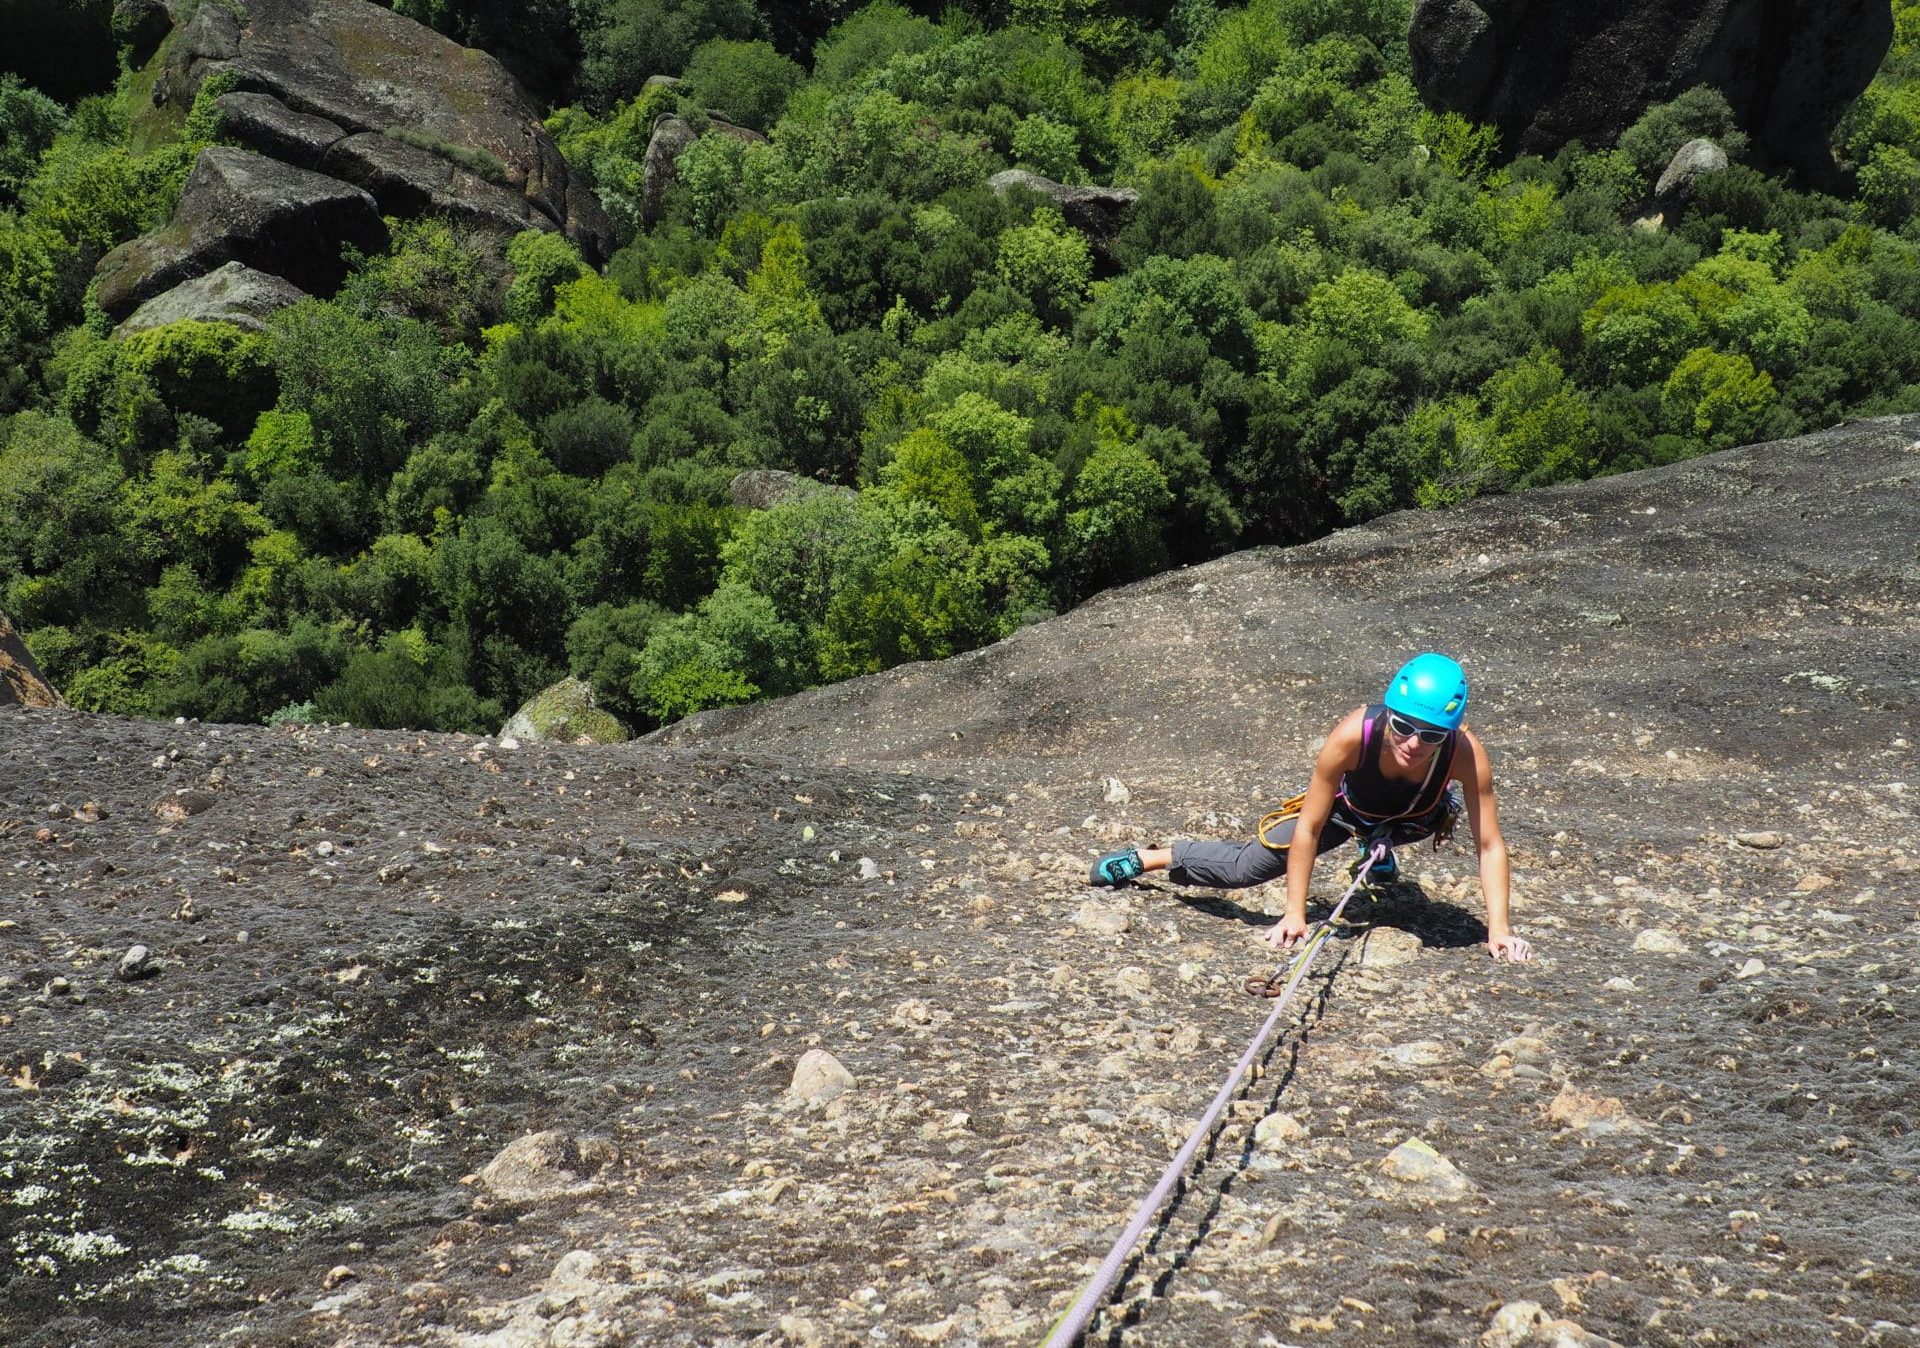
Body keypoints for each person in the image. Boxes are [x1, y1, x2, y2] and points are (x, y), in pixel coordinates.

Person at [1087, 652, 1533, 962]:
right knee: (1248, 868)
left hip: (1416, 818)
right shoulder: (1352, 736)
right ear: (1389, 713)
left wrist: (1499, 930)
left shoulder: (1465, 753)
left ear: (1449, 733)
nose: (1414, 744)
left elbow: (1490, 845)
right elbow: (1309, 827)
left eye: (1431, 735)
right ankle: (1150, 858)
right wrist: (1295, 913)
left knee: (1412, 820)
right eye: (1402, 726)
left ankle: (1378, 848)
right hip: (1347, 811)